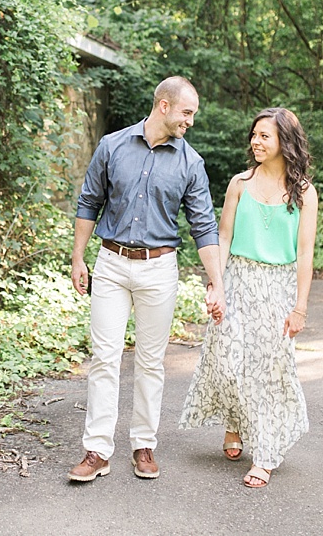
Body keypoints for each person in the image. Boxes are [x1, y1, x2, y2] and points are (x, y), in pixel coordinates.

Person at [67, 76, 226, 483]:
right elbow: (89, 201)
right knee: (104, 358)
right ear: (164, 106)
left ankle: (143, 445)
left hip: (160, 269)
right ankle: (97, 450)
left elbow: (203, 226)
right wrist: (79, 257)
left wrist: (216, 282)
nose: (191, 121)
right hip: (112, 263)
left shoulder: (191, 163)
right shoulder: (113, 146)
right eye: (187, 112)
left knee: (151, 361)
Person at [179, 107, 318, 488]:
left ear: (284, 143)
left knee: (271, 368)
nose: (256, 142)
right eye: (254, 135)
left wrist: (300, 307)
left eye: (264, 136)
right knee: (226, 357)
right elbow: (222, 237)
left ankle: (267, 452)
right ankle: (234, 422)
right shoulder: (240, 183)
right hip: (238, 279)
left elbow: (305, 253)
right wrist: (215, 284)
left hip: (277, 286)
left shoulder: (304, 193)